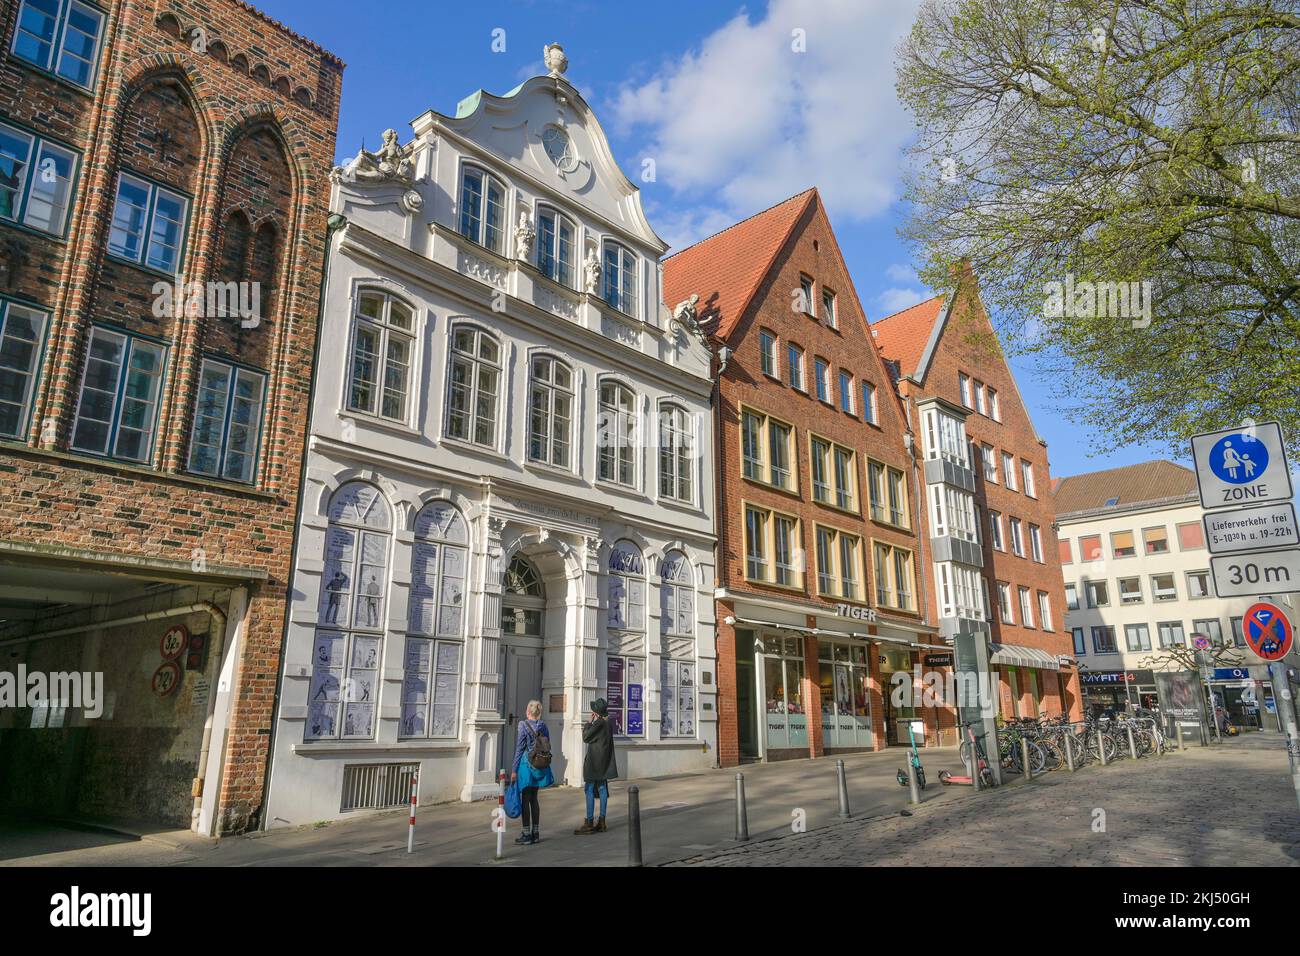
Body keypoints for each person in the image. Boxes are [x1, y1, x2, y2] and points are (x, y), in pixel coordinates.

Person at [510, 700, 553, 845]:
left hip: (526, 766)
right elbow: (548, 745)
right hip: (539, 766)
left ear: (528, 712)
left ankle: (526, 834)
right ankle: (536, 833)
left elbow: (519, 748)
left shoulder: (523, 725)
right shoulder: (544, 726)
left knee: (525, 799)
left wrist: (514, 770)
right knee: (534, 799)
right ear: (539, 712)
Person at [574, 698, 619, 835]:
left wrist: (588, 723)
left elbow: (586, 737)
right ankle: (602, 821)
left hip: (595, 763)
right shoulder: (608, 723)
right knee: (602, 788)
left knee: (589, 789)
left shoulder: (599, 723)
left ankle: (589, 822)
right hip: (604, 762)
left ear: (596, 713)